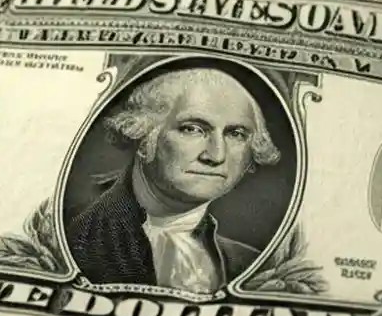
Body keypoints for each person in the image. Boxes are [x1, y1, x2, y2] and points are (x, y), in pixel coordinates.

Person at [67, 66, 281, 293]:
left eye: (236, 134)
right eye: (193, 129)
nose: (216, 155)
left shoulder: (253, 266)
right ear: (144, 134)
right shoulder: (75, 239)